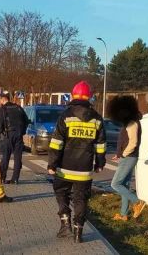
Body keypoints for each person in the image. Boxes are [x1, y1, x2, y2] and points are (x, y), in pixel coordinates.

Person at [48, 81, 105, 243]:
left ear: (73, 96)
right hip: (85, 170)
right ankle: (78, 233)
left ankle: (65, 223)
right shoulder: (97, 119)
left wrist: (52, 164)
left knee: (61, 192)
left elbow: (56, 143)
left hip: (65, 168)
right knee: (81, 199)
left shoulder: (66, 116)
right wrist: (99, 163)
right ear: (89, 97)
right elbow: (100, 145)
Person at [108, 96, 146, 221]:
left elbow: (133, 142)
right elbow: (126, 141)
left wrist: (123, 154)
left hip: (129, 157)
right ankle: (124, 214)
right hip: (128, 157)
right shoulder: (130, 122)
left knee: (115, 184)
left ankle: (137, 202)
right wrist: (119, 154)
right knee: (124, 185)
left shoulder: (132, 123)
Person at [0, 92, 29, 184]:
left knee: (5, 157)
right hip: (19, 135)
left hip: (8, 135)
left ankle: (2, 177)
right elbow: (26, 121)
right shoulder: (18, 108)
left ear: (2, 99)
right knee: (18, 158)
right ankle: (15, 179)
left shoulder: (3, 109)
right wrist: (22, 132)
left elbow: (0, 126)